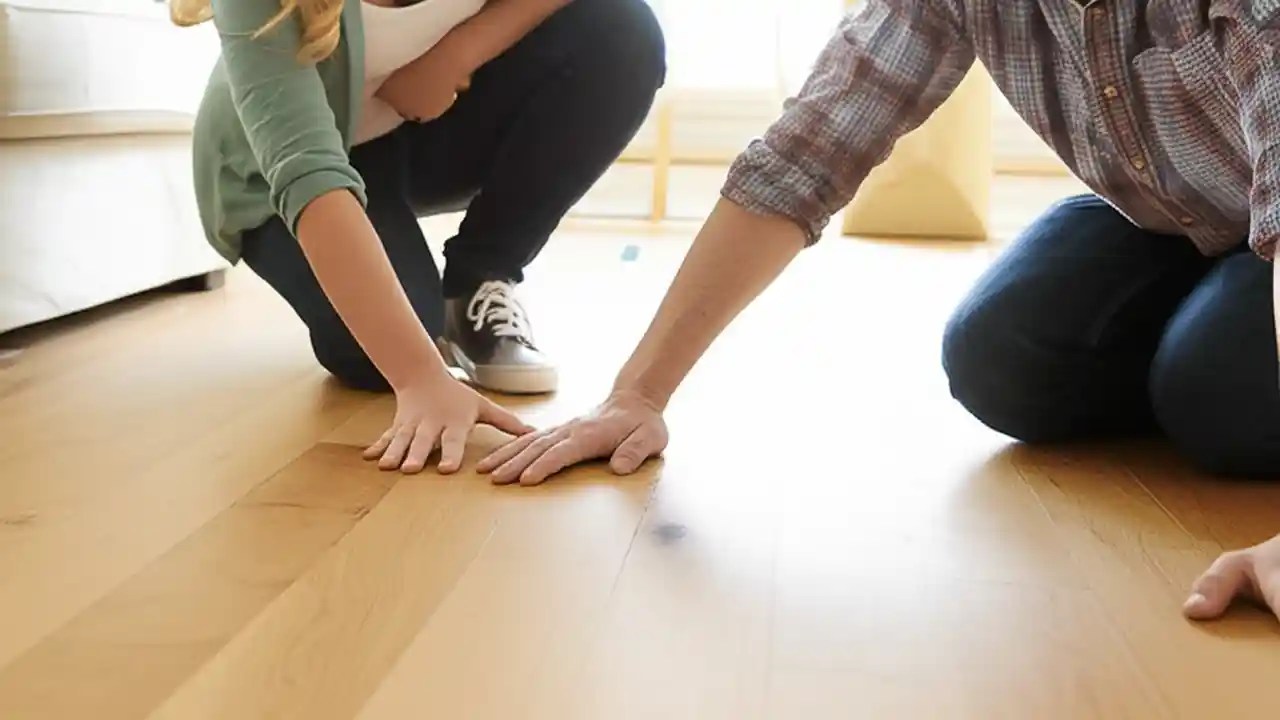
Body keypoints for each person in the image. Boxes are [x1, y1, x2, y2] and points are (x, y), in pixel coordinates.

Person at [478, 0, 1280, 622]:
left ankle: (1216, 353)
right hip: (1174, 211)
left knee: (1213, 392)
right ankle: (1215, 328)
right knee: (1000, 361)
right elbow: (808, 150)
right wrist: (637, 394)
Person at [170, 0, 665, 473]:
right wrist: (419, 377)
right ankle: (424, 326)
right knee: (377, 354)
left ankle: (478, 279)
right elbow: (308, 173)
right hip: (276, 174)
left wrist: (457, 54)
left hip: (409, 129)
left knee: (622, 31)